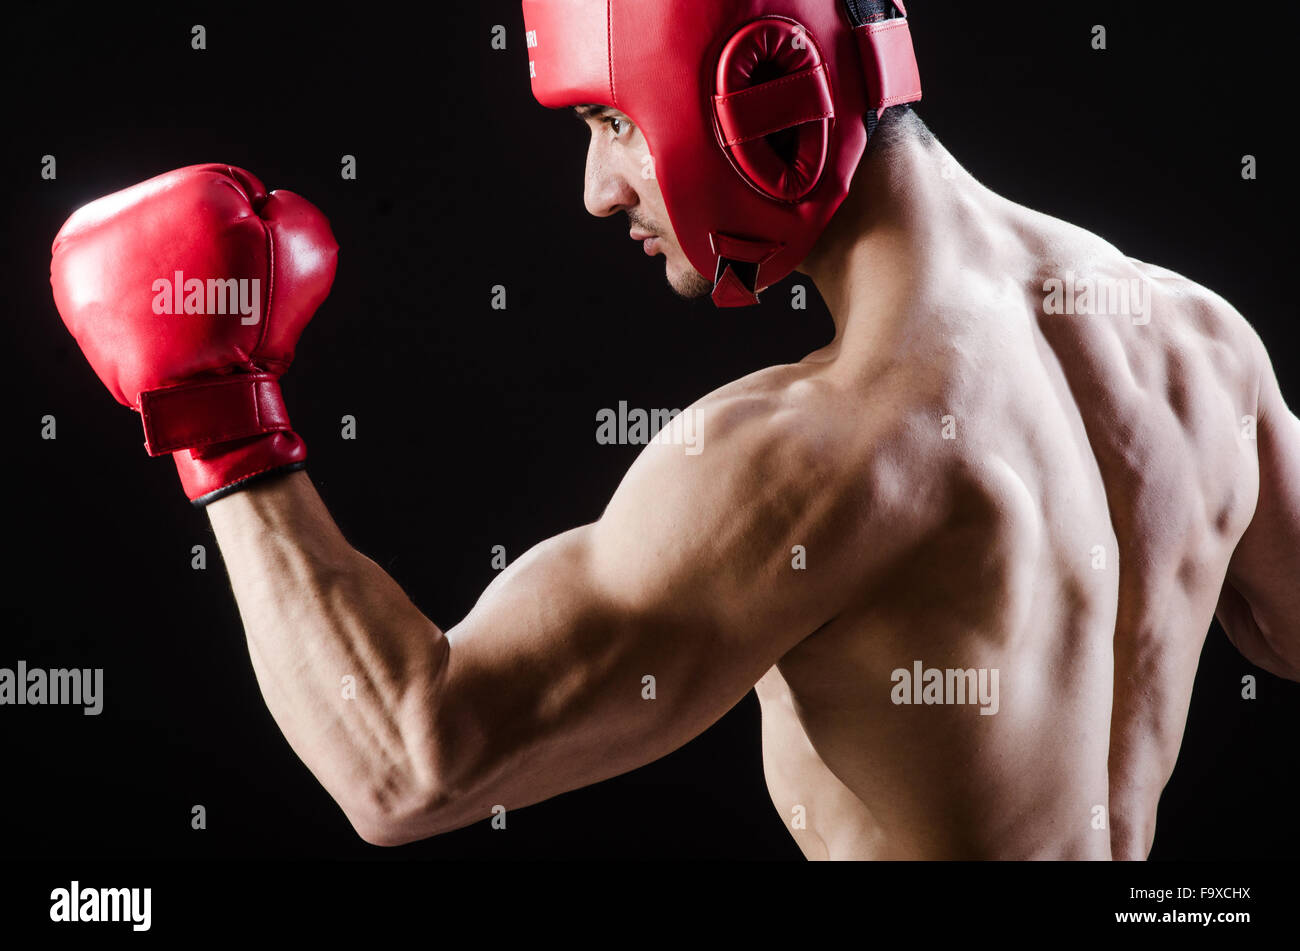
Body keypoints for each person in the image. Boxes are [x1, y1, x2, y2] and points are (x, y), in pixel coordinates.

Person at [49, 1, 1298, 859]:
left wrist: (218, 414)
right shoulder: (1197, 339)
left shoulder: (817, 454)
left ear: (757, 88)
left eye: (608, 123)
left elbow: (409, 764)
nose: (599, 190)